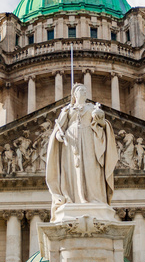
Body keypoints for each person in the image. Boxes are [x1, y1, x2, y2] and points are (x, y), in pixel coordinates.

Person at [44, 84, 117, 219]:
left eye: (84, 90)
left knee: (92, 169)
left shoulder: (92, 108)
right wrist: (58, 135)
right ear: (74, 95)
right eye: (80, 90)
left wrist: (101, 121)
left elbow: (101, 124)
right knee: (73, 170)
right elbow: (59, 127)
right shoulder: (67, 109)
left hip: (89, 140)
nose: (83, 91)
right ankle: (73, 197)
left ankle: (94, 198)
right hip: (72, 142)